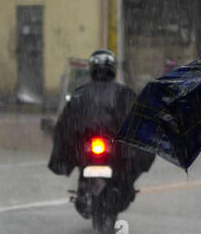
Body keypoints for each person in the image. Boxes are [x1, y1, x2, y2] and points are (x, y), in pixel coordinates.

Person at [47, 49, 152, 207]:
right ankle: (109, 189)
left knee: (134, 155)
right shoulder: (121, 92)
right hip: (100, 145)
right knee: (137, 153)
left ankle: (120, 187)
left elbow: (65, 122)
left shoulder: (82, 93)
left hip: (107, 146)